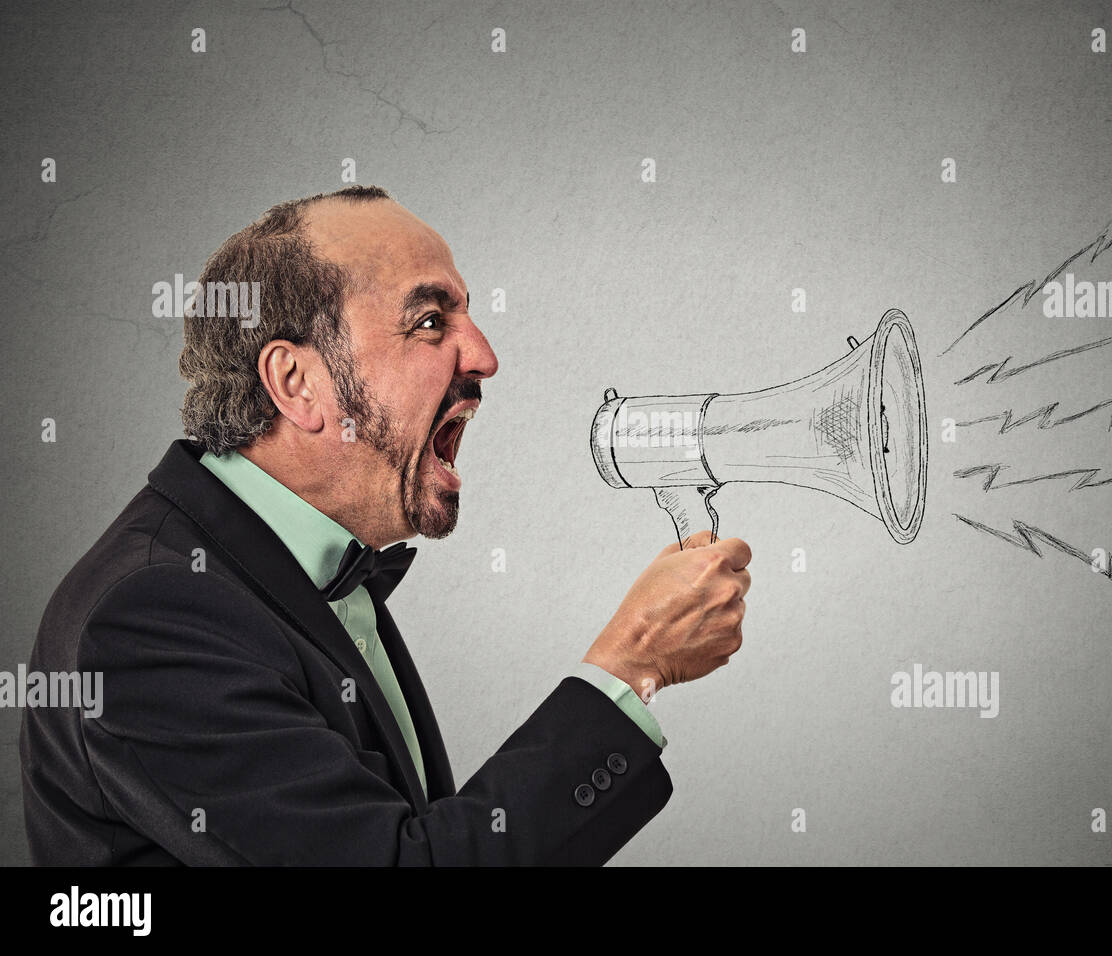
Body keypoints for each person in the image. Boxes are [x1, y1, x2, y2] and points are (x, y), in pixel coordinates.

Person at [19, 185, 751, 865]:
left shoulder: (293, 569)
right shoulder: (152, 617)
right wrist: (632, 665)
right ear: (297, 384)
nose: (486, 357)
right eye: (430, 322)